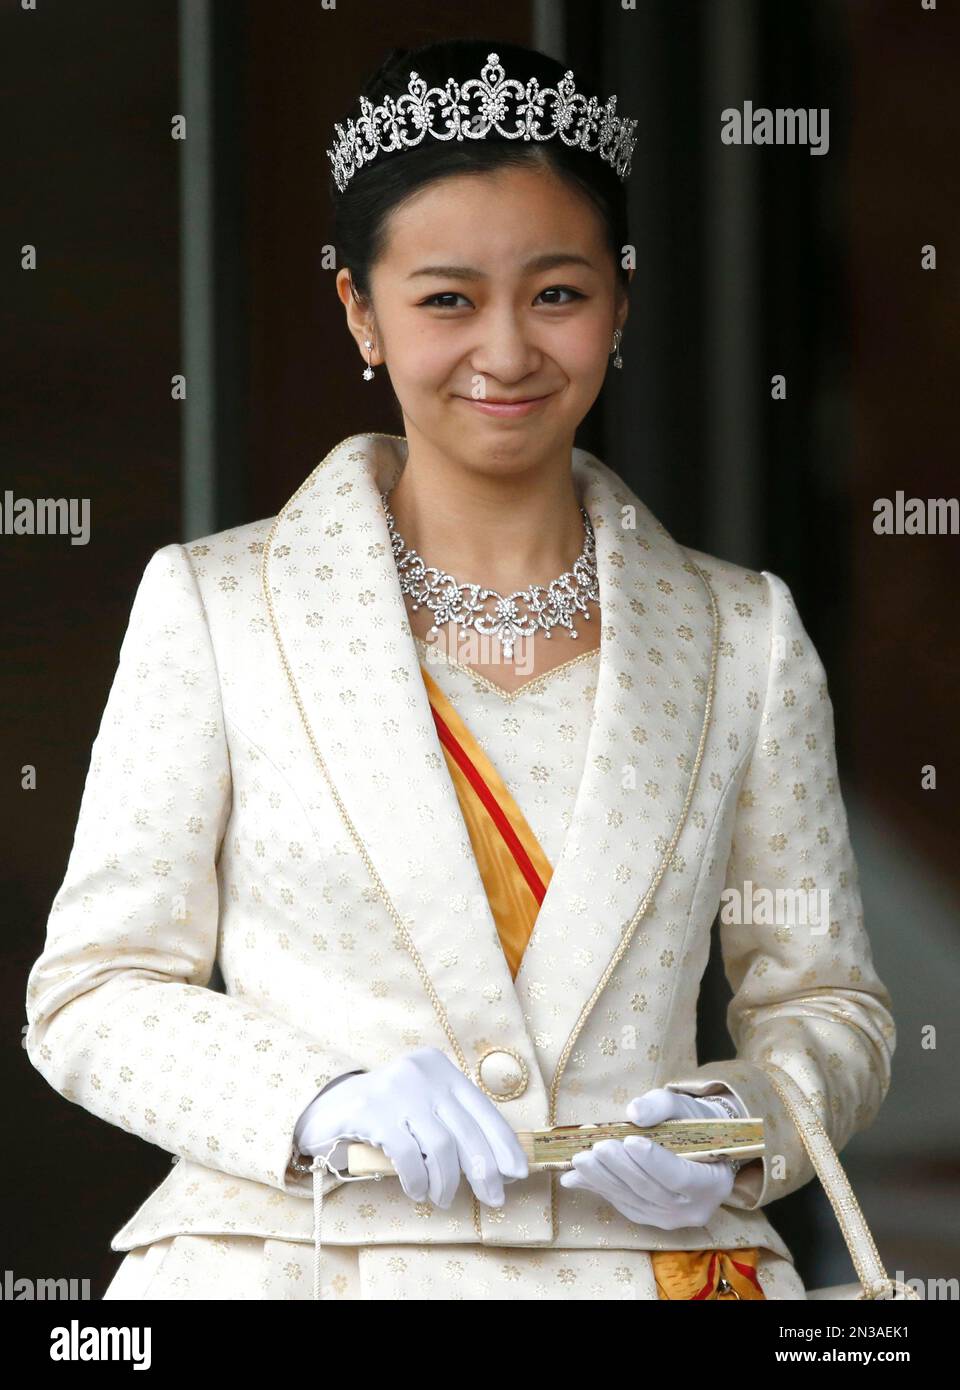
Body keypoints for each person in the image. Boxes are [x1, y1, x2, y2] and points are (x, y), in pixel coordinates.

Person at [24, 38, 895, 1301]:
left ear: (621, 299)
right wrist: (322, 1101)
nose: (506, 350)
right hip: (292, 1260)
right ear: (359, 314)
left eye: (556, 293)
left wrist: (721, 1133)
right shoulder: (217, 608)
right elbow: (94, 990)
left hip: (644, 1269)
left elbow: (830, 1009)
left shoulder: (744, 634)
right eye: (446, 299)